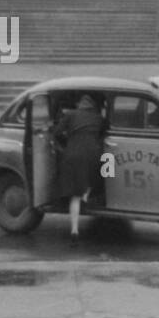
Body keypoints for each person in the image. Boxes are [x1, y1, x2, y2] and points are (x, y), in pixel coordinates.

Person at [52, 95, 106, 246]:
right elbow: (103, 134)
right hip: (93, 156)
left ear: (79, 105)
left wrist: (66, 140)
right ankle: (87, 193)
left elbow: (56, 133)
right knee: (104, 174)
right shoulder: (98, 118)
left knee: (74, 196)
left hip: (73, 155)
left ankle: (74, 230)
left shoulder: (70, 115)